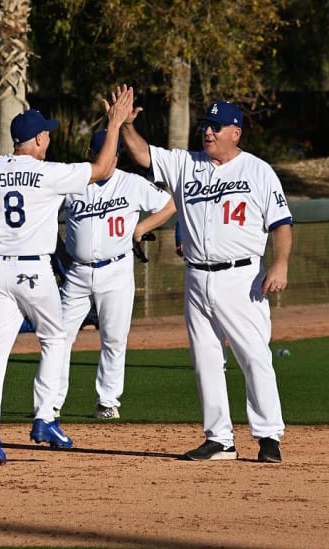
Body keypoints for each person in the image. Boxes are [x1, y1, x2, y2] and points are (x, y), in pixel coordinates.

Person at [0, 87, 134, 465]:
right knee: (55, 337)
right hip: (32, 269)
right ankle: (45, 417)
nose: (49, 137)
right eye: (45, 133)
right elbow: (104, 169)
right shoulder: (48, 174)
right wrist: (114, 123)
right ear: (37, 140)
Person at [116, 90, 293, 463]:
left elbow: (281, 224)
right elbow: (143, 154)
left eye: (215, 127)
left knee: (254, 356)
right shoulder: (186, 164)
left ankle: (268, 436)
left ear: (236, 132)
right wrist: (127, 124)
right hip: (197, 278)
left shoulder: (258, 170)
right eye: (205, 126)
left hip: (241, 278)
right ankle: (220, 439)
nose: (207, 132)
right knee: (206, 359)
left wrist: (281, 264)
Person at [55, 130, 176, 420]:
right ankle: (51, 402)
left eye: (113, 153)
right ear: (91, 153)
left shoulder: (132, 183)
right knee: (58, 337)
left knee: (113, 338)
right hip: (78, 272)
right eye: (101, 152)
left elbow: (170, 204)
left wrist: (142, 229)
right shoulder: (73, 182)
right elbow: (45, 215)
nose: (108, 157)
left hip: (116, 270)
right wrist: (57, 249)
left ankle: (107, 401)